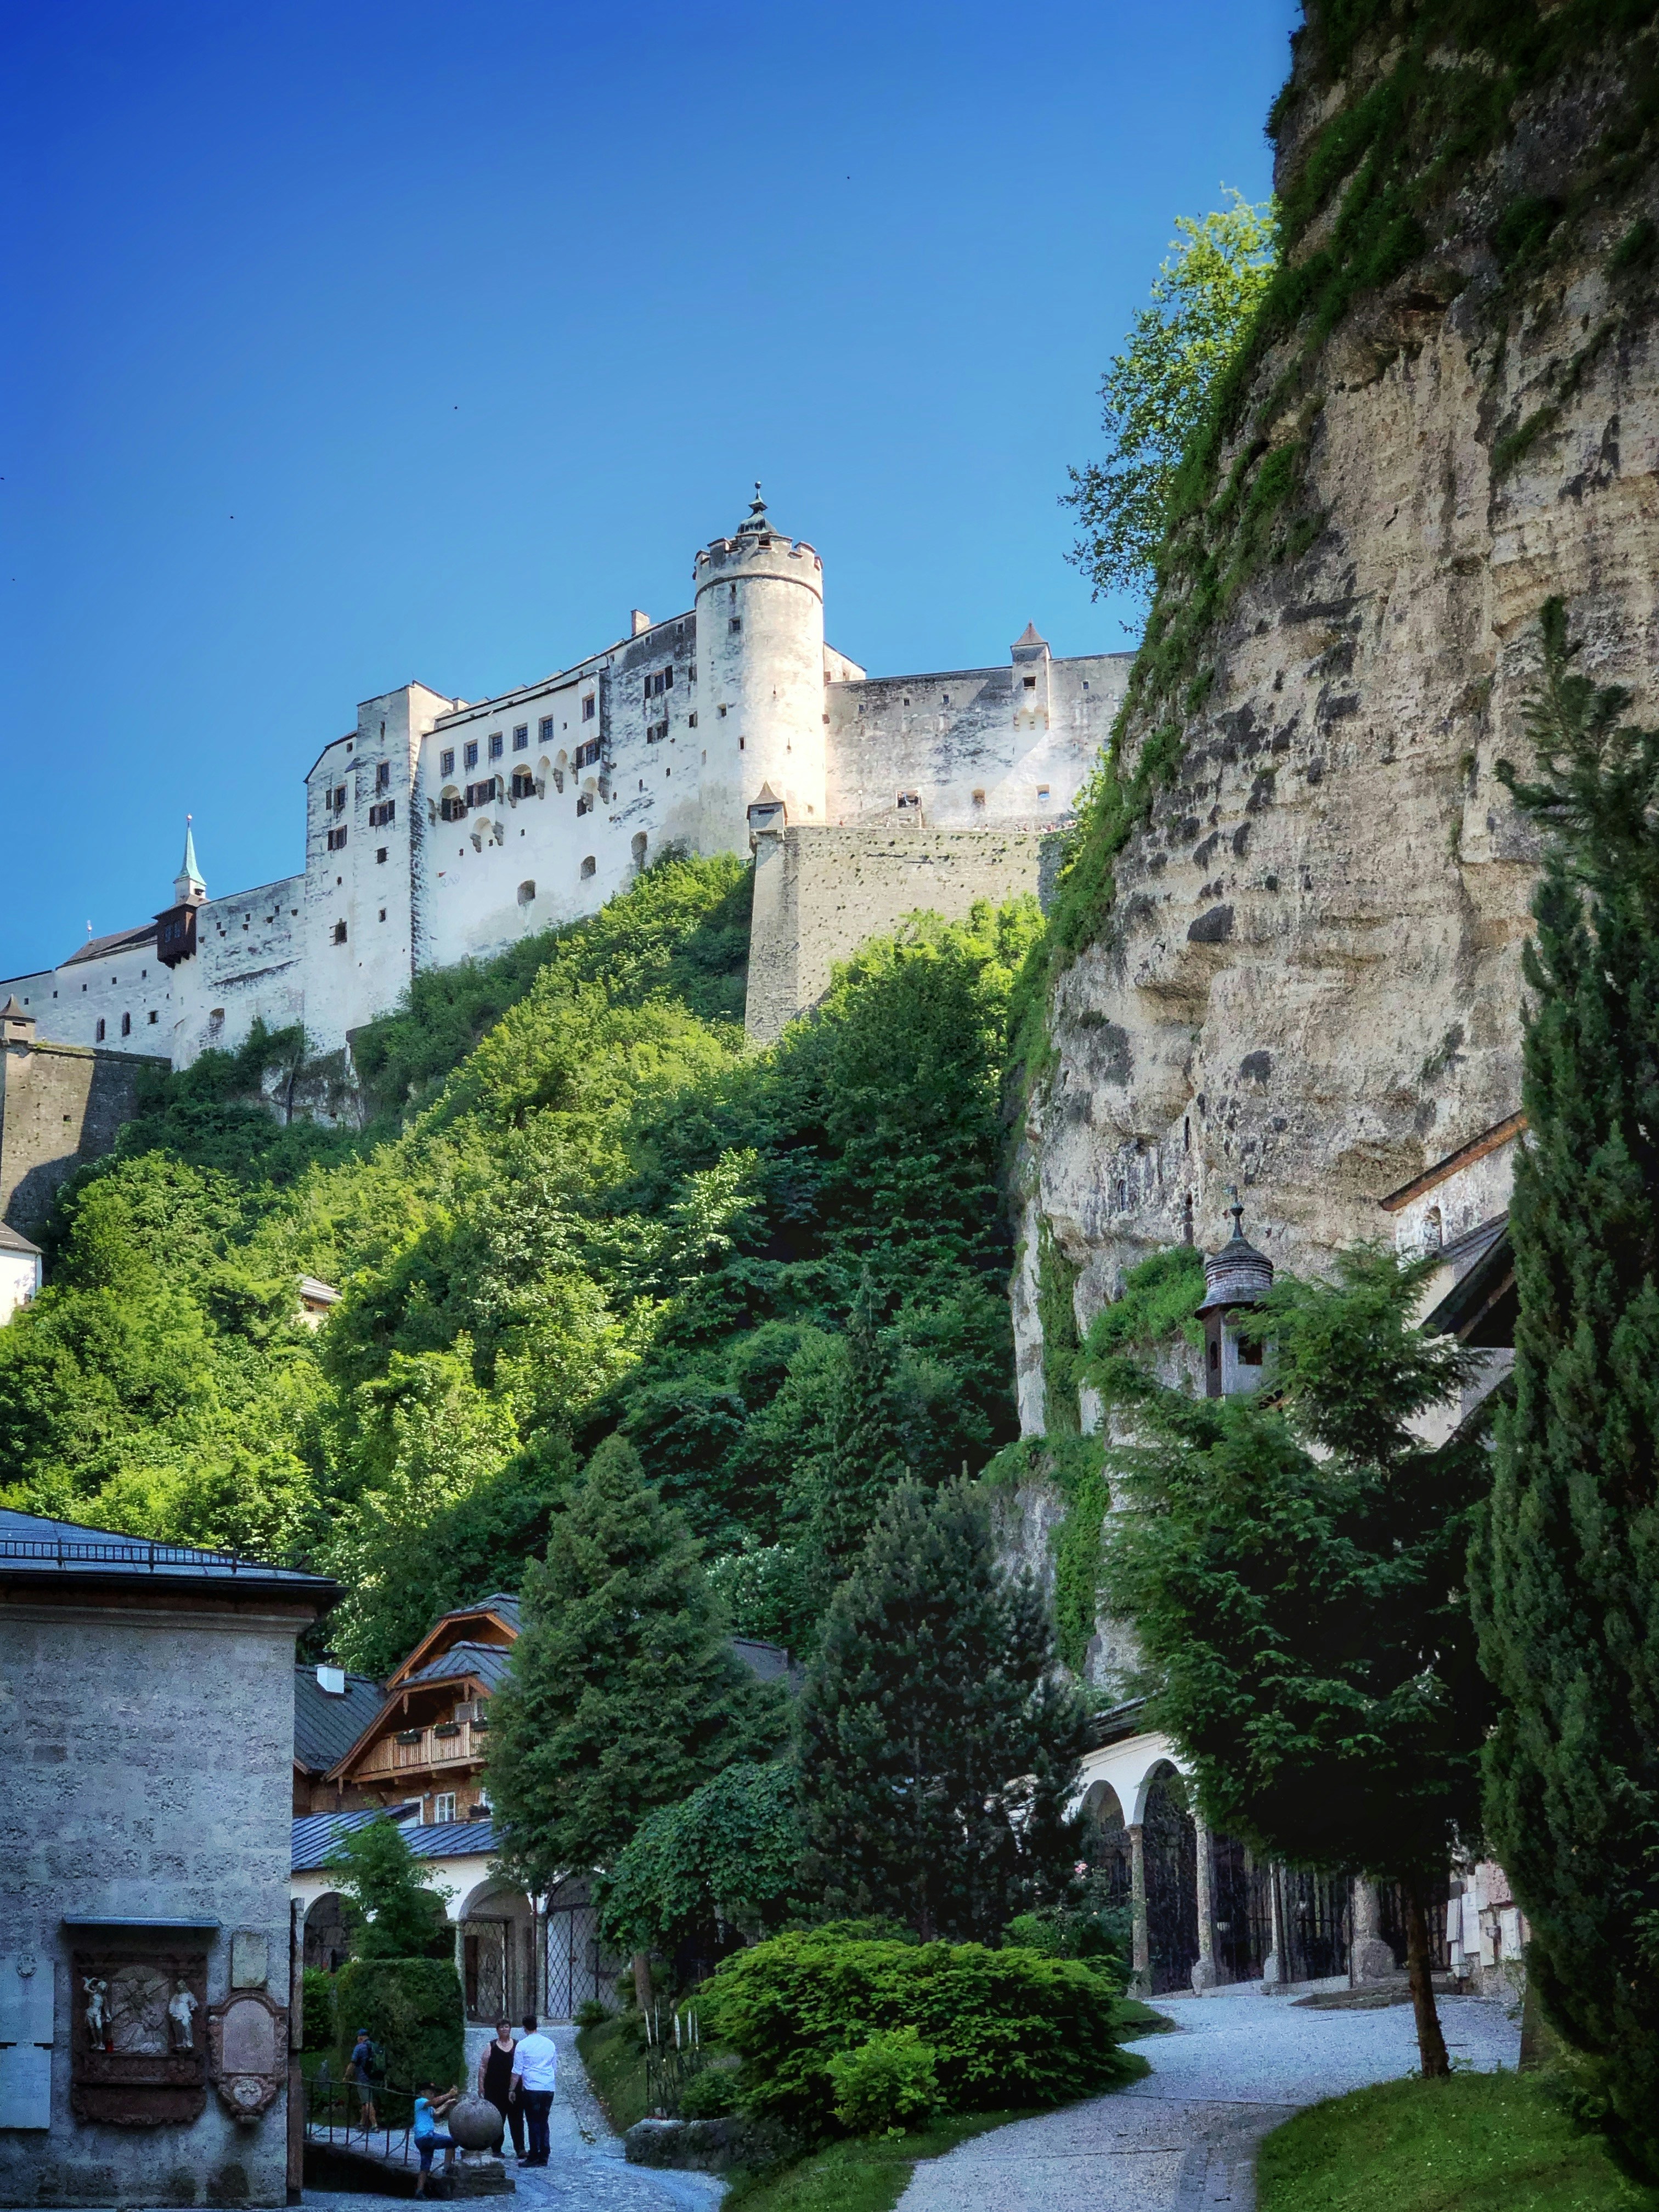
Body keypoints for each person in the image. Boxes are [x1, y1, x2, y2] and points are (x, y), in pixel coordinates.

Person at [510, 2012, 557, 2167]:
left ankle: (534, 2154)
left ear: (524, 2028)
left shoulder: (522, 2045)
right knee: (544, 2120)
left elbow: (517, 2070)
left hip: (532, 2087)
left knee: (532, 2121)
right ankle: (545, 2154)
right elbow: (554, 2066)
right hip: (548, 2086)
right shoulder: (549, 2043)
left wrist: (512, 2089)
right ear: (537, 2025)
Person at [478, 2018, 524, 2158]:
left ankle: (520, 2149)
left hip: (514, 2089)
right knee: (498, 2120)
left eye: (507, 2026)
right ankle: (496, 2149)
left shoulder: (518, 2045)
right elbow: (483, 2067)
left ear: (510, 2029)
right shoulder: (491, 2046)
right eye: (502, 2027)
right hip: (494, 2089)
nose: (505, 2029)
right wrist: (481, 2085)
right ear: (497, 2030)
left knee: (517, 2119)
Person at [412, 2079, 461, 2196]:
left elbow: (437, 2113)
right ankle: (447, 2169)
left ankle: (419, 2191)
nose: (432, 2095)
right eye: (430, 2092)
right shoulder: (420, 2101)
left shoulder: (428, 2107)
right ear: (423, 2093)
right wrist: (449, 2094)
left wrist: (448, 2103)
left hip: (422, 2139)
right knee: (453, 2142)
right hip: (426, 2136)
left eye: (433, 2093)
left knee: (425, 2165)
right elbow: (434, 2102)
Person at [345, 2027, 381, 2132]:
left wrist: (346, 2076)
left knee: (368, 2102)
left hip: (363, 2078)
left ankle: (374, 2125)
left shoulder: (359, 2048)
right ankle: (362, 2123)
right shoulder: (375, 2046)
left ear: (360, 2037)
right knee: (365, 2101)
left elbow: (353, 2063)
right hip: (375, 2078)